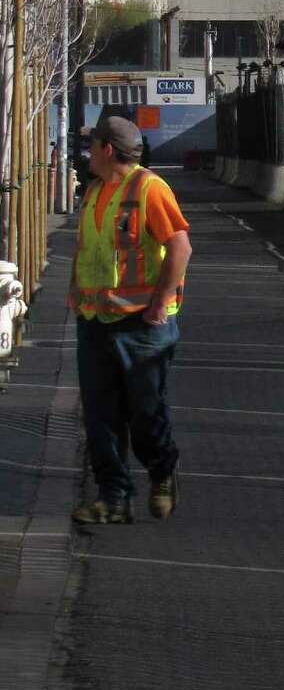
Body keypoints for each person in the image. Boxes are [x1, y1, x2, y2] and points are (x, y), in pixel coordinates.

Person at [68, 114, 192, 525]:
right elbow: (90, 249)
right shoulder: (93, 191)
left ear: (107, 149)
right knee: (100, 416)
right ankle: (113, 498)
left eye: (92, 145)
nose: (87, 153)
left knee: (145, 412)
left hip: (142, 325)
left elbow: (180, 247)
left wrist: (159, 304)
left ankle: (162, 471)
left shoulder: (149, 189)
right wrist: (75, 292)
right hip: (95, 319)